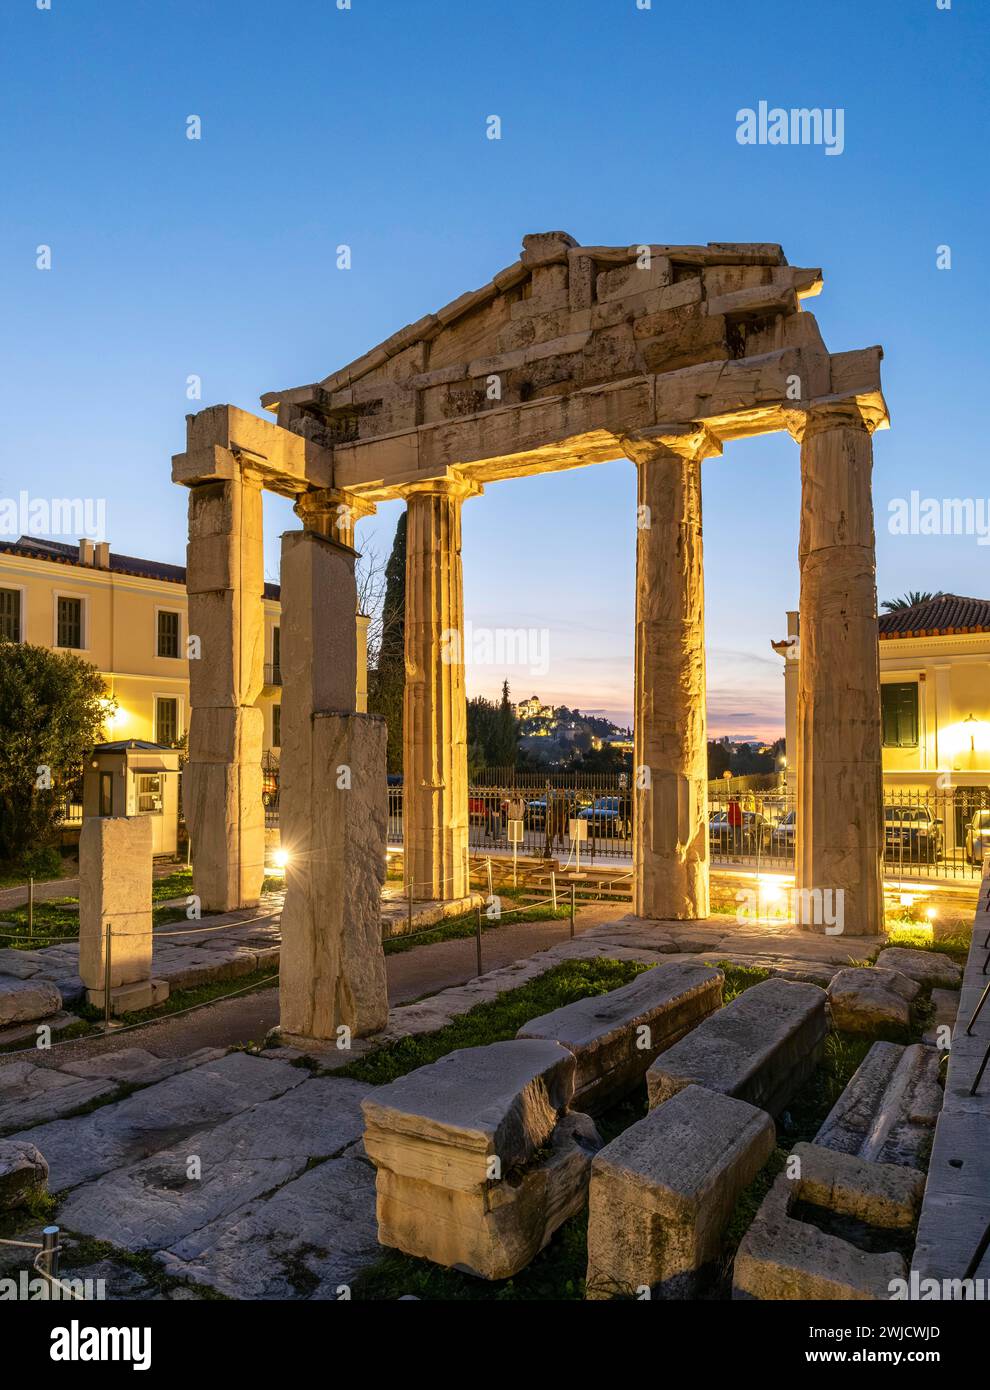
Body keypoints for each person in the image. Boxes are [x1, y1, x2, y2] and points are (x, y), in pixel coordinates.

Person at [727, 795, 743, 860]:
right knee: (736, 840)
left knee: (735, 839)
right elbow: (738, 815)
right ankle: (735, 856)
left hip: (734, 823)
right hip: (736, 824)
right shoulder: (735, 805)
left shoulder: (732, 805)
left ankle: (735, 855)